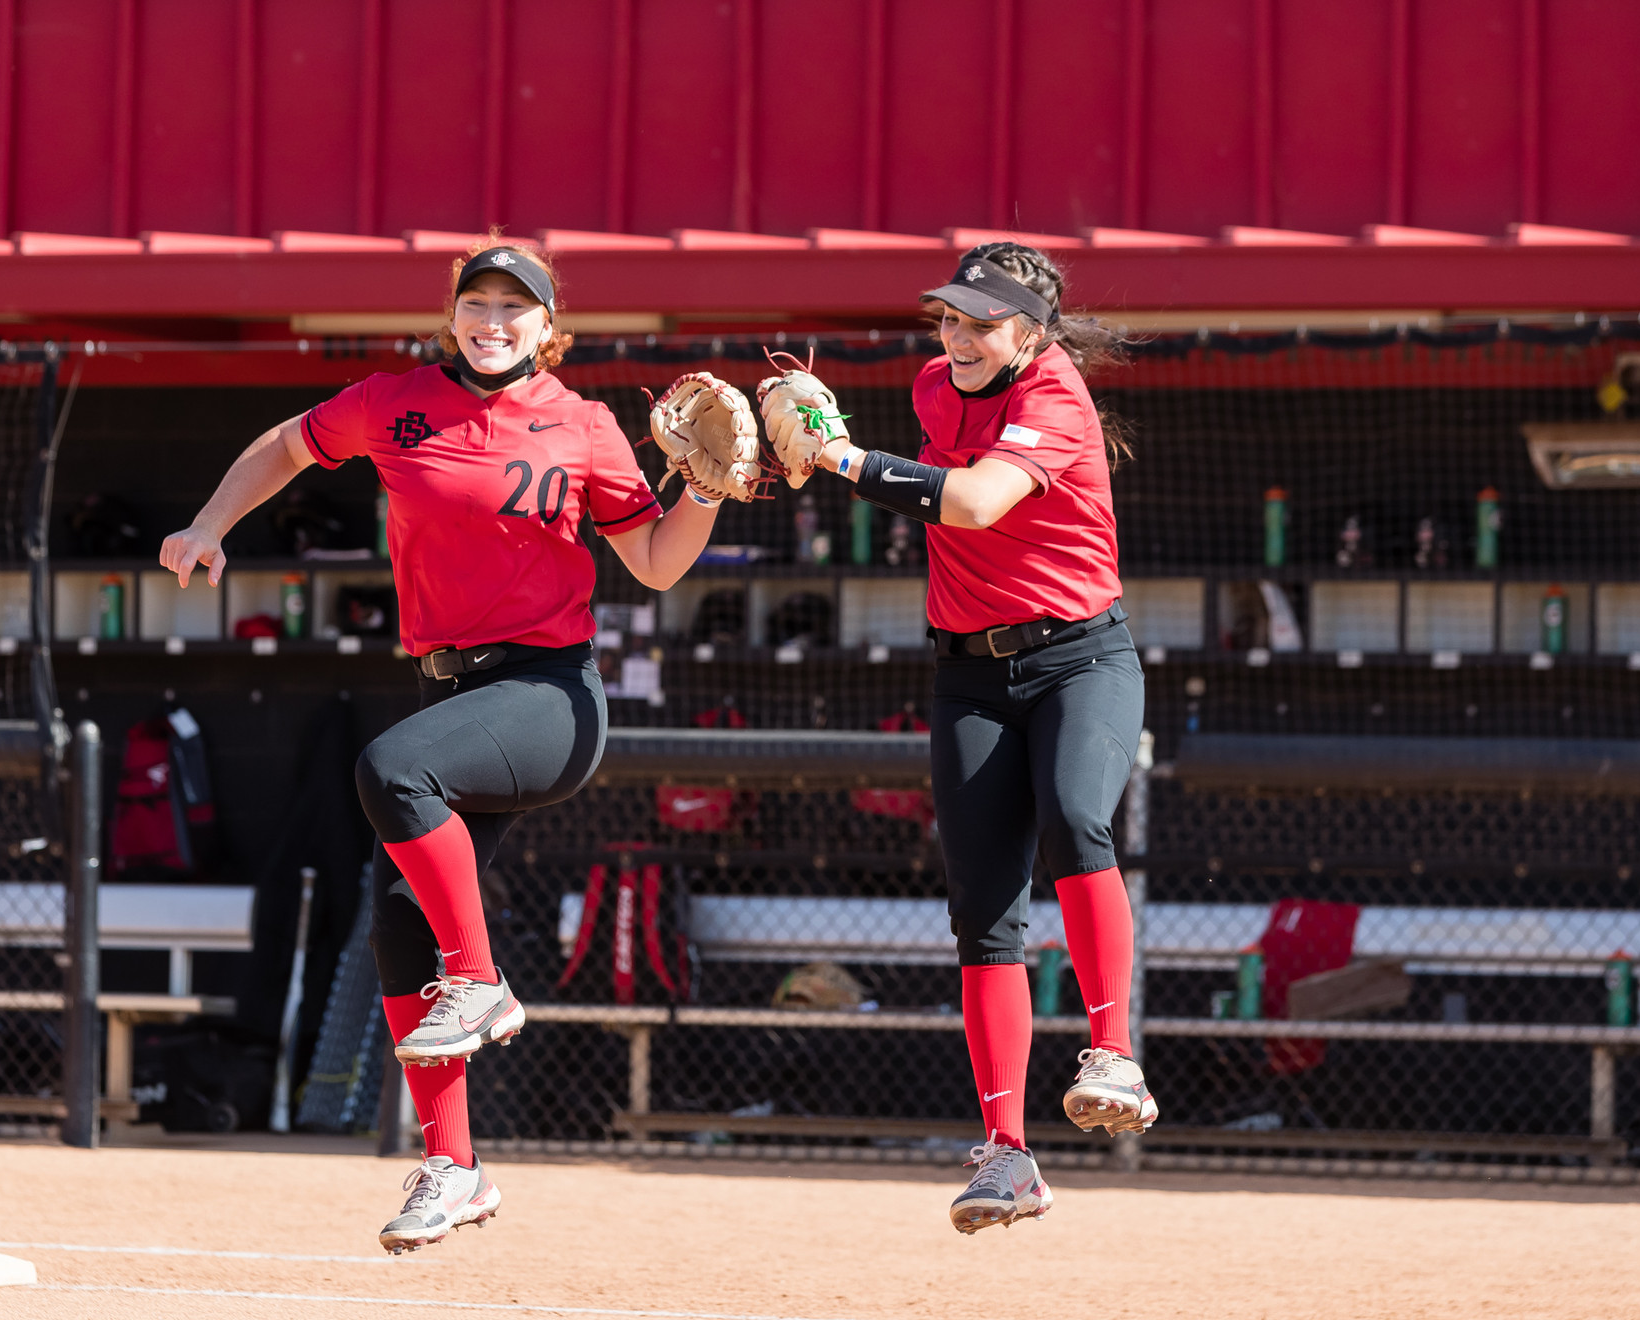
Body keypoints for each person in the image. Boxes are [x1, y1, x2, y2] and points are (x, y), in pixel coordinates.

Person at [158, 238, 727, 1252]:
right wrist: (210, 521)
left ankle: (483, 983)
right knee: (395, 922)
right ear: (452, 314)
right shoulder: (394, 400)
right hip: (455, 689)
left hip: (550, 697)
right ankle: (453, 1168)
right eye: (479, 302)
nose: (494, 319)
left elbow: (653, 563)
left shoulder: (585, 424)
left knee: (392, 769)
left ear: (550, 328)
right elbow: (285, 445)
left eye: (518, 306)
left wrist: (710, 489)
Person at [790, 243, 1151, 1234]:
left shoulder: (1059, 395)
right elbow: (934, 475)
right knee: (983, 908)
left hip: (1081, 657)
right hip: (970, 673)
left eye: (980, 322)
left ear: (1029, 334)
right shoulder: (931, 386)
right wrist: (817, 425)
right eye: (948, 317)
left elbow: (978, 500)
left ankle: (1114, 1051)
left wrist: (846, 458)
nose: (955, 336)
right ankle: (1006, 1156)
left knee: (1078, 821)